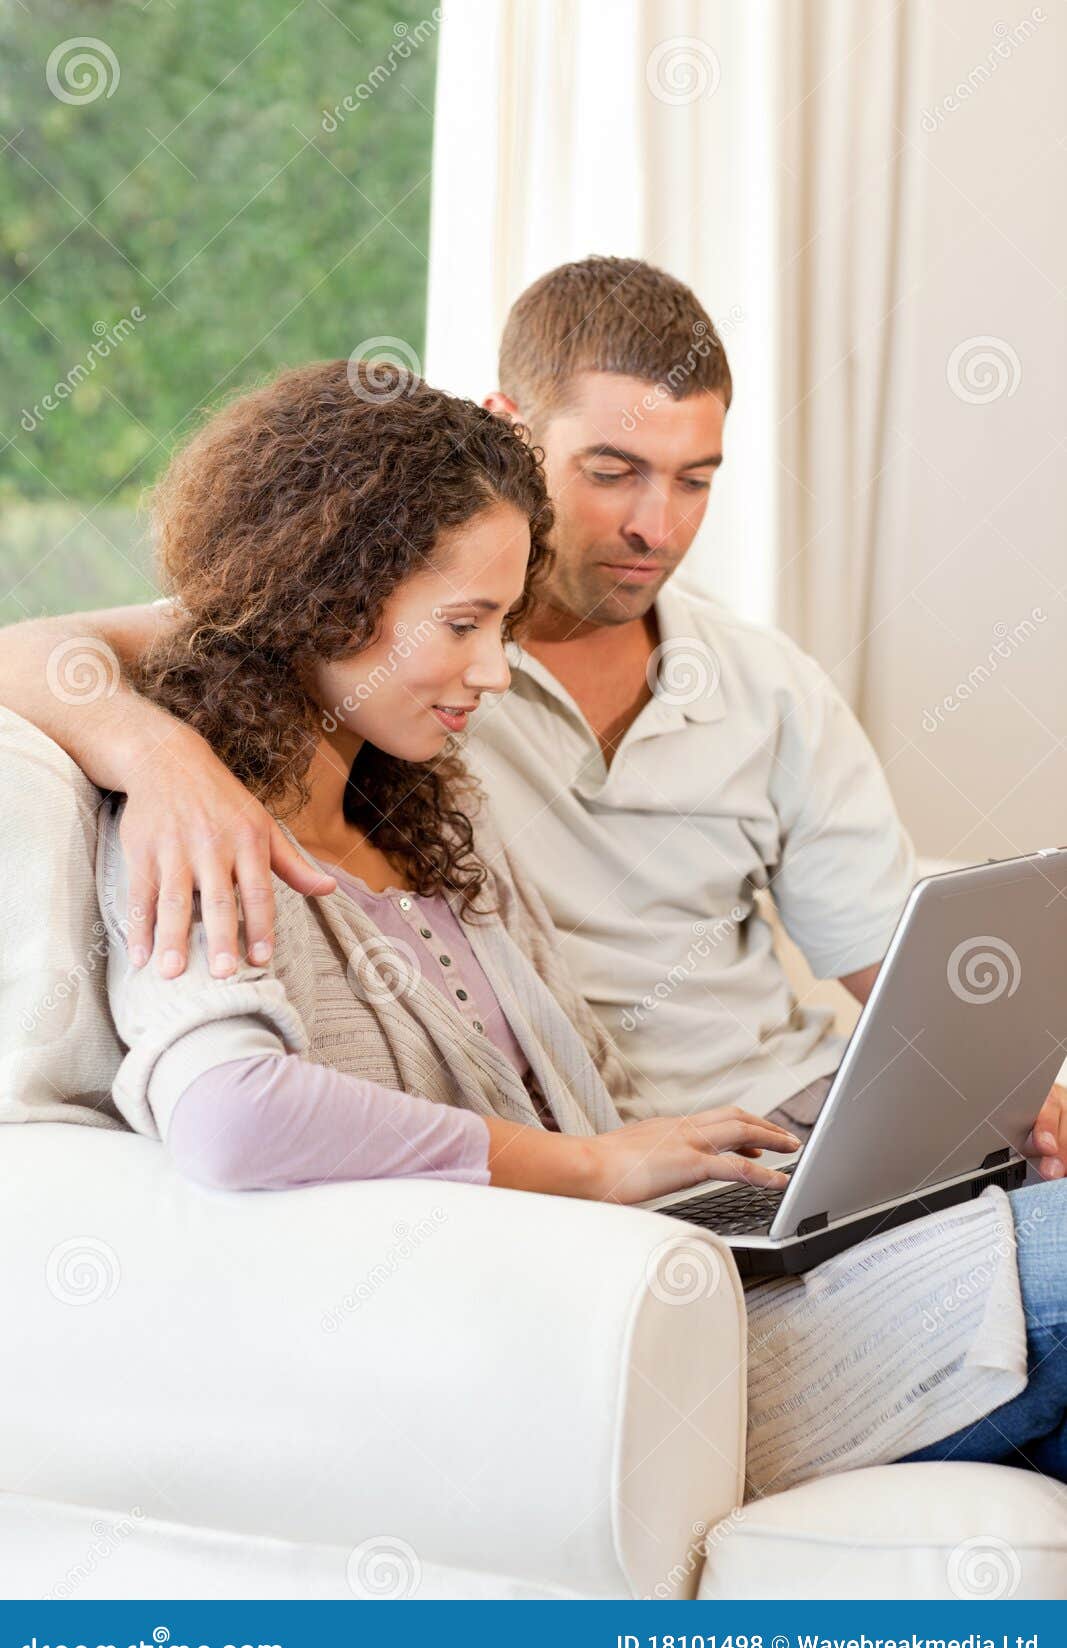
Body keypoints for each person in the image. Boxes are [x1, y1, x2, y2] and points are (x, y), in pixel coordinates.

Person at [78, 359, 1066, 1493]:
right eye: (464, 624)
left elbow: (585, 1095)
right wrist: (589, 1167)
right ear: (322, 598)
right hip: (557, 1356)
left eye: (501, 623)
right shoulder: (194, 838)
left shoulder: (426, 819)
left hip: (653, 1277)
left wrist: (775, 1131)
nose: (495, 671)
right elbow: (227, 1114)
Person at [2, 257, 1063, 1177]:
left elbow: (905, 970)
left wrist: (1013, 1089)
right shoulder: (371, 652)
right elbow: (61, 652)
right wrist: (164, 760)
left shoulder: (753, 687)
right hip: (635, 1166)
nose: (655, 526)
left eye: (694, 481)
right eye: (612, 473)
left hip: (776, 1123)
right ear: (511, 430)